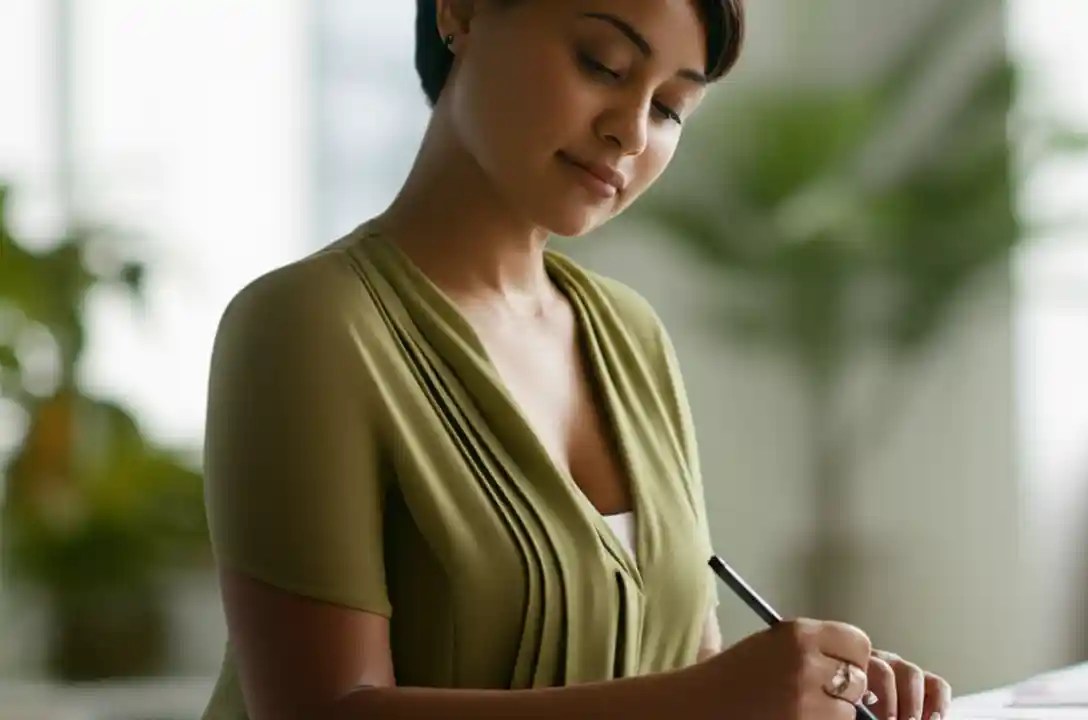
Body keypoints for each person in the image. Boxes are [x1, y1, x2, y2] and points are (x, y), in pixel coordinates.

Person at [199, 1, 953, 719]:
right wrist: (714, 702)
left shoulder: (630, 336)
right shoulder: (307, 327)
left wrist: (805, 694)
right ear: (461, 9)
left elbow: (684, 662)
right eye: (603, 63)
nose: (630, 133)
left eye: (669, 110)